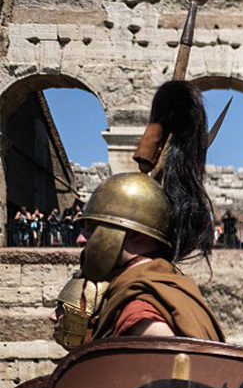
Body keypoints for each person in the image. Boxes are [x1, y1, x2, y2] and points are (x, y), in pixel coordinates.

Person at [49, 81, 224, 346]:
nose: (81, 239)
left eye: (93, 228)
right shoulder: (150, 286)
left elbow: (174, 359)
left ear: (137, 237)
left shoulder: (140, 309)